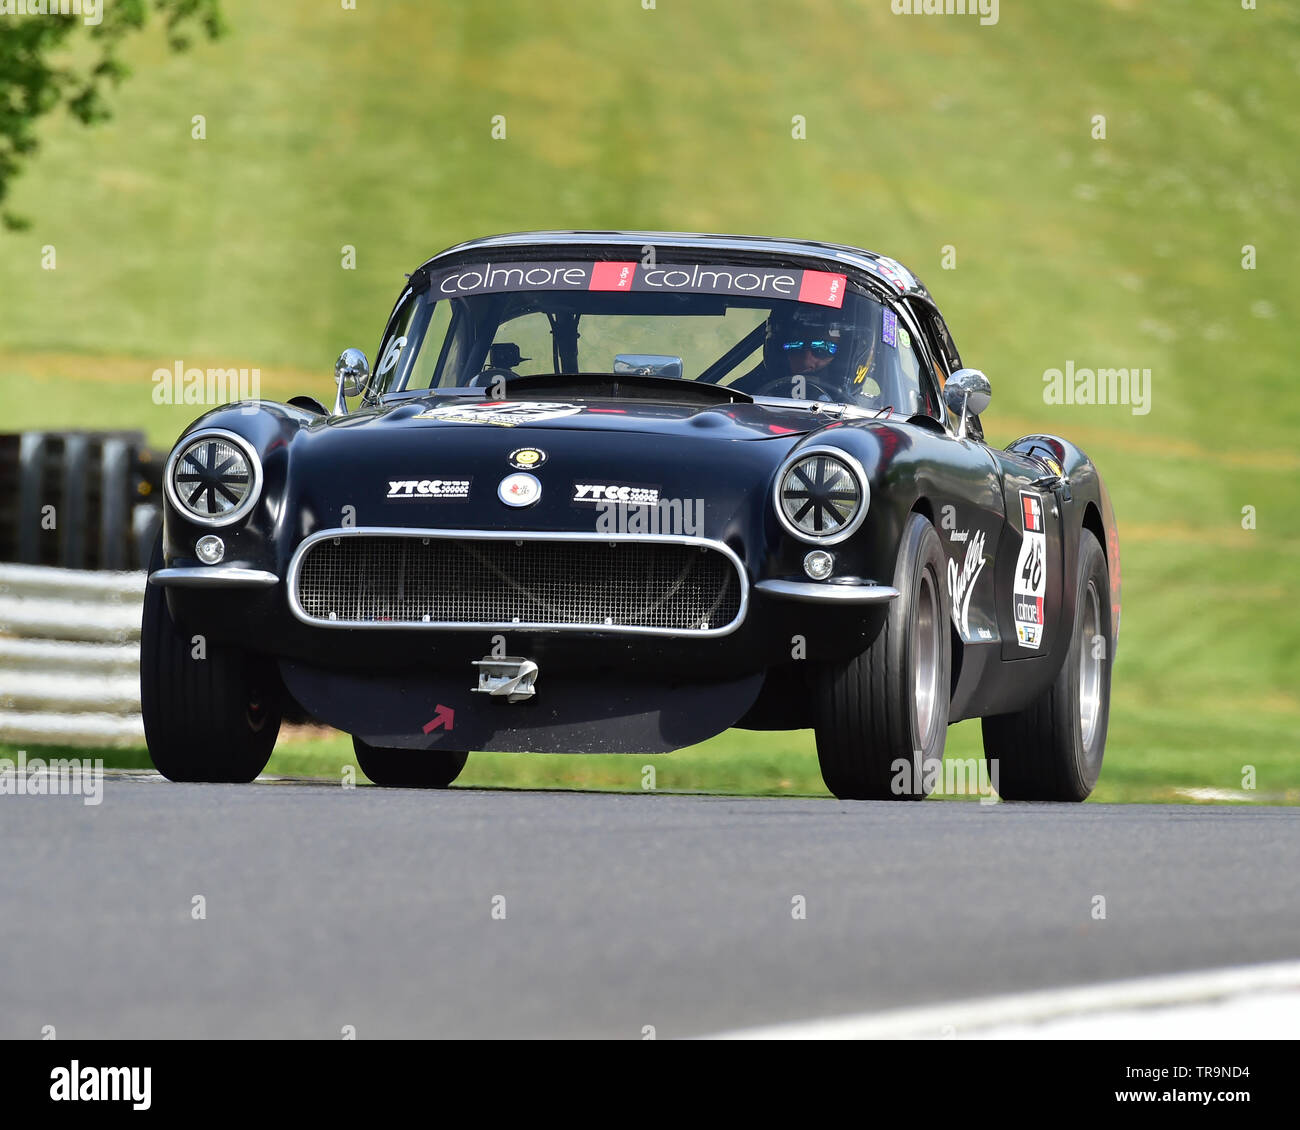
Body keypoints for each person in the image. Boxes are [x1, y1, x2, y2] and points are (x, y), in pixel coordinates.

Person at [733, 303, 879, 402]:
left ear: (847, 353)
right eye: (794, 346)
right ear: (777, 348)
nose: (806, 361)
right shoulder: (739, 398)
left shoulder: (874, 416)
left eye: (822, 348)